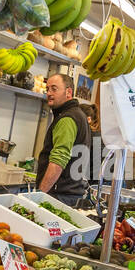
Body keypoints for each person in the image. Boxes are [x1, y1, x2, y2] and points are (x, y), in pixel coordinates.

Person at [36, 72, 91, 205]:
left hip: (58, 195)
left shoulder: (67, 118)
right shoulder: (78, 115)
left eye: (54, 89)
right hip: (71, 194)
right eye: (47, 89)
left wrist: (39, 195)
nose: (49, 93)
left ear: (68, 92)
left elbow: (58, 160)